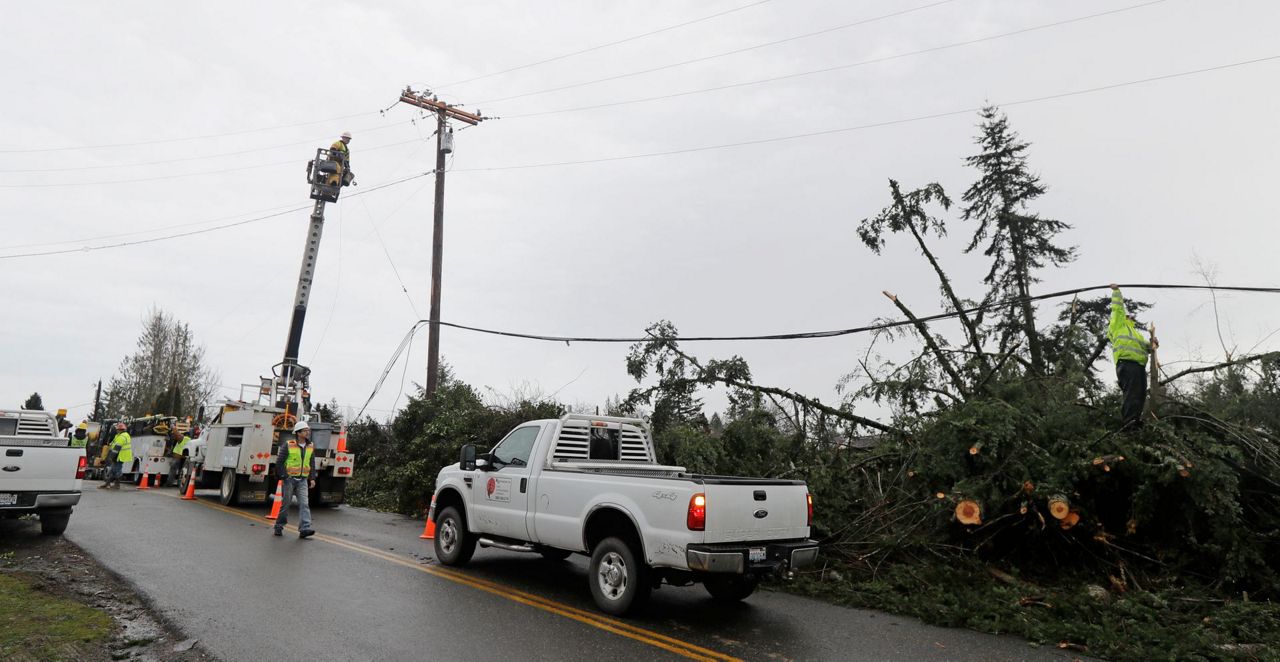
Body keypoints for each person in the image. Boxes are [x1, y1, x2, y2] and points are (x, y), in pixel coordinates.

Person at [1108, 284, 1157, 427]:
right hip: (1127, 364)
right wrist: (1116, 292)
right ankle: (1129, 423)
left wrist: (1153, 343)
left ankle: (1135, 420)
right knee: (1132, 393)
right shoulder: (1118, 325)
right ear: (1126, 316)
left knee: (1140, 394)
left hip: (1139, 367)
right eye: (1130, 316)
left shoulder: (1136, 333)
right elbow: (1117, 309)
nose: (1133, 318)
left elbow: (1147, 347)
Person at [273, 420, 317, 539]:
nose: (307, 432)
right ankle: (279, 526)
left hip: (303, 480)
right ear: (298, 433)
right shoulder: (288, 445)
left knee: (304, 504)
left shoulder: (310, 446)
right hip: (289, 480)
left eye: (308, 430)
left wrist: (312, 478)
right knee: (285, 505)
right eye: (305, 430)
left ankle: (305, 528)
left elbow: (312, 463)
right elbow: (279, 463)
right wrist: (284, 476)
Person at [101, 422, 133, 489]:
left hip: (119, 456)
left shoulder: (122, 436)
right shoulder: (121, 435)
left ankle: (116, 484)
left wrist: (111, 456)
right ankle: (108, 483)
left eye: (117, 429)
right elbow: (113, 444)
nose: (116, 430)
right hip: (119, 455)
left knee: (117, 470)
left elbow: (117, 448)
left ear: (120, 430)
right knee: (113, 469)